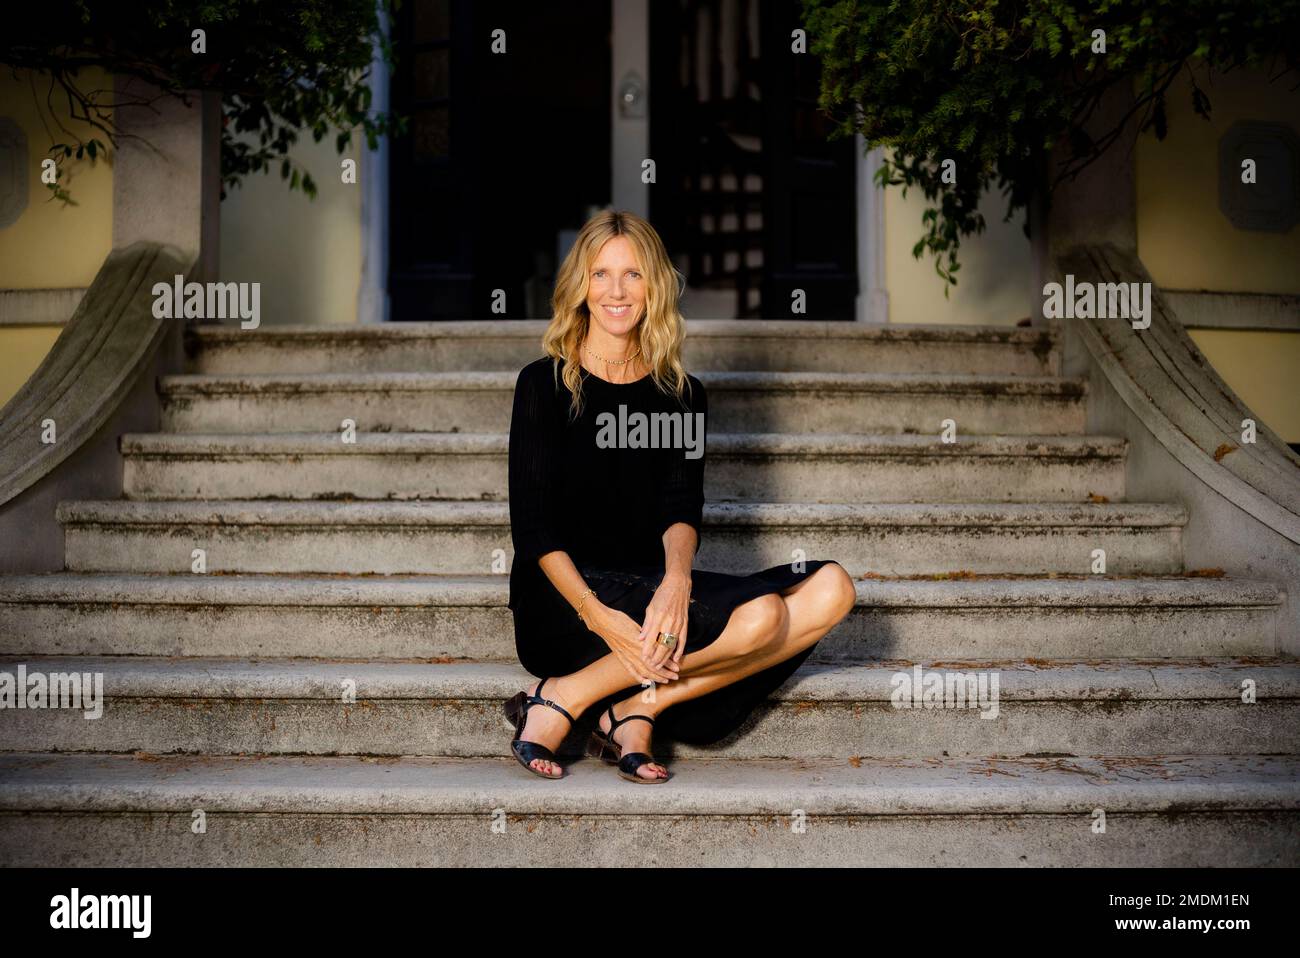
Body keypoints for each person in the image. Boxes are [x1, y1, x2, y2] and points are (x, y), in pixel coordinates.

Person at [503, 209, 856, 783]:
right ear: (580, 287)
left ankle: (630, 703)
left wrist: (676, 580)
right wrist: (598, 616)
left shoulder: (681, 394)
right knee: (763, 615)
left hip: (649, 591)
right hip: (565, 601)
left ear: (656, 287)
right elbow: (534, 530)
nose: (617, 291)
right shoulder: (542, 384)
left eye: (634, 274)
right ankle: (581, 696)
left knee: (834, 588)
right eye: (601, 274)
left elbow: (679, 506)